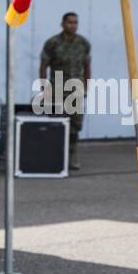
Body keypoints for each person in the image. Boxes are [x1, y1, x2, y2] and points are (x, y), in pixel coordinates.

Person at [40, 11, 92, 170]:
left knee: (75, 122)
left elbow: (87, 66)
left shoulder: (83, 43)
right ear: (62, 24)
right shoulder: (52, 43)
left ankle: (72, 154)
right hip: (57, 88)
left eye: (75, 22)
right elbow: (43, 67)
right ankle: (54, 154)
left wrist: (86, 86)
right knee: (55, 121)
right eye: (70, 22)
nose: (73, 25)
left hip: (76, 89)